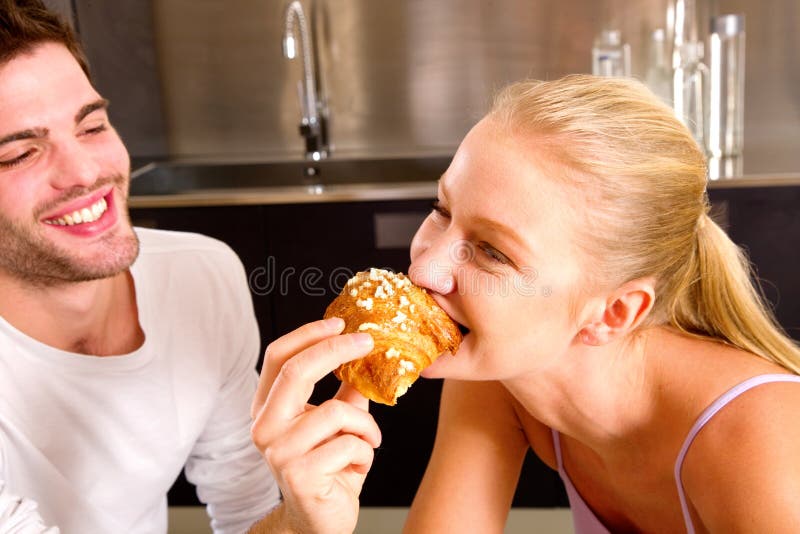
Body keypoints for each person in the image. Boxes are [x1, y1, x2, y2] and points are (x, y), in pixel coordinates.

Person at [249, 74, 800, 533]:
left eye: (492, 252)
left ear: (613, 313)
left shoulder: (764, 445)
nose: (423, 268)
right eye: (441, 209)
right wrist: (305, 521)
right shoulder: (498, 376)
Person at [0, 1, 280, 532]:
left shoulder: (203, 278)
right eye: (19, 154)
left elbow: (249, 509)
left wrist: (307, 517)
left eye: (92, 126)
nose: (86, 172)